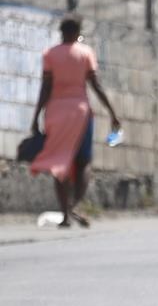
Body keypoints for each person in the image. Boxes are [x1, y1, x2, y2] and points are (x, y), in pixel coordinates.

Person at [29, 13, 121, 228]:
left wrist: (35, 117)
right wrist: (112, 112)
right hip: (79, 113)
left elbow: (45, 88)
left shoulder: (50, 54)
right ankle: (73, 206)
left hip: (56, 113)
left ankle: (65, 215)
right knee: (83, 162)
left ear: (62, 33)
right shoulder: (85, 53)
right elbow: (95, 85)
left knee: (59, 162)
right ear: (78, 32)